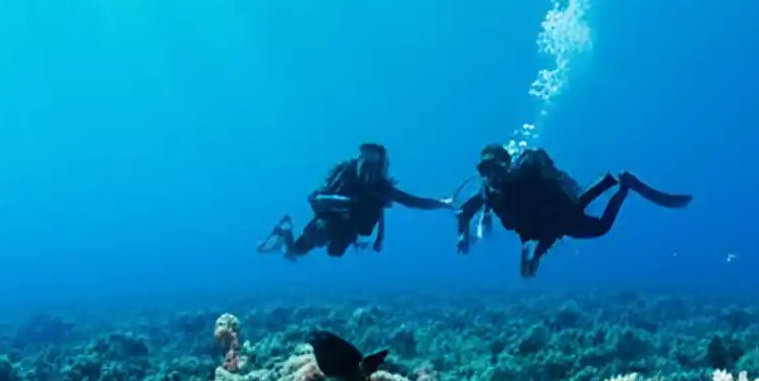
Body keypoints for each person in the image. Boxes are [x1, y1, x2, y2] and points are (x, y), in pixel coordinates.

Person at [455, 144, 692, 277]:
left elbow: (551, 222)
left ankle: (619, 184)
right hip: (553, 222)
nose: (491, 176)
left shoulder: (525, 180)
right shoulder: (490, 194)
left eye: (495, 168)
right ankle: (617, 184)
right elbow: (464, 212)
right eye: (484, 170)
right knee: (595, 225)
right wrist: (462, 235)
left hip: (563, 212)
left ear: (506, 165)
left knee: (596, 224)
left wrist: (536, 255)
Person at [258, 143, 453, 259]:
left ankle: (285, 238)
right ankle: (285, 232)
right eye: (365, 155)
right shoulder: (347, 178)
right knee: (298, 250)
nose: (368, 162)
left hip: (350, 229)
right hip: (328, 222)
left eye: (373, 157)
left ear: (380, 162)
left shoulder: (382, 187)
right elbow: (318, 197)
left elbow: (412, 202)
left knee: (334, 252)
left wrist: (442, 203)